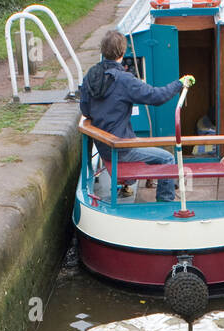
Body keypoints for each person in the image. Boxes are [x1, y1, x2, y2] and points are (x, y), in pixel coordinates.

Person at [79, 30, 192, 202]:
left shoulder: (90, 76)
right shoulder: (124, 80)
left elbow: (85, 110)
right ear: (123, 53)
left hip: (102, 146)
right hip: (121, 148)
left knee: (139, 144)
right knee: (168, 159)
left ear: (102, 51)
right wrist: (179, 83)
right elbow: (157, 97)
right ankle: (165, 202)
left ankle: (131, 181)